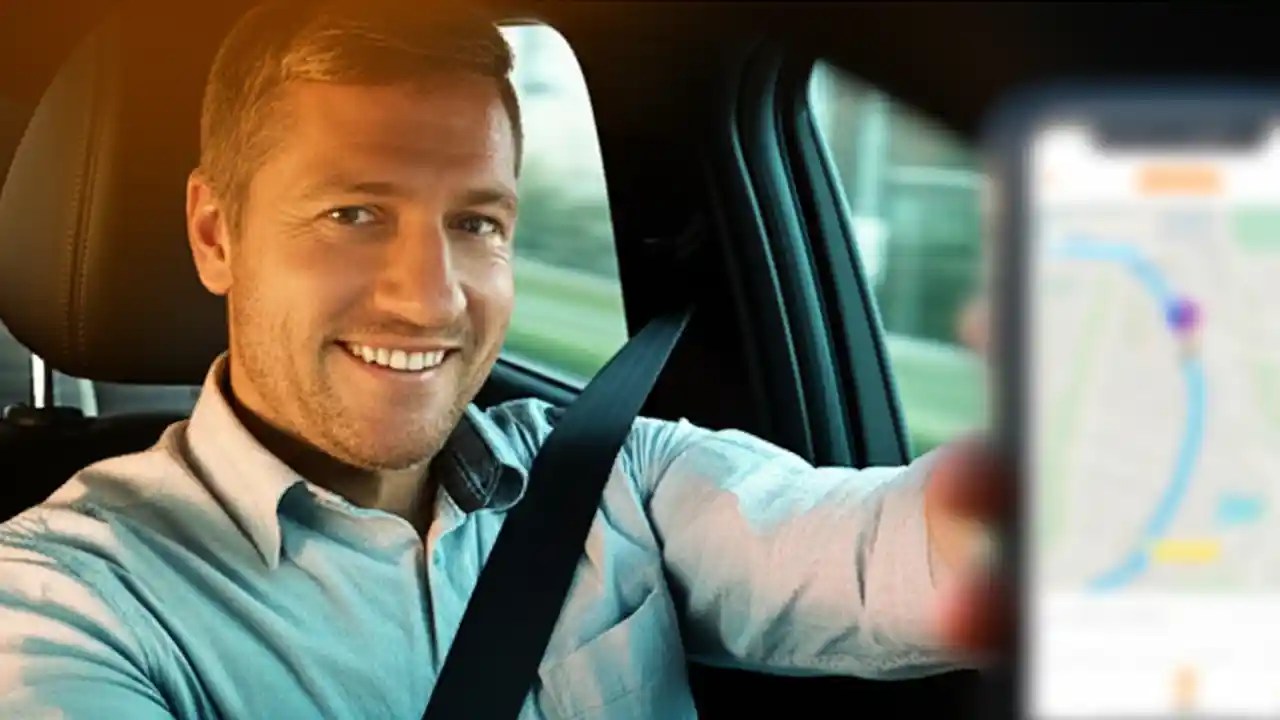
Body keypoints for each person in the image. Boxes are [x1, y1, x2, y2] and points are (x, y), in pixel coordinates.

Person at [0, 0, 1007, 717]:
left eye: (476, 223)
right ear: (216, 234)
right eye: (354, 214)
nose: (431, 297)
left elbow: (895, 557)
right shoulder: (65, 600)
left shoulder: (614, 475)